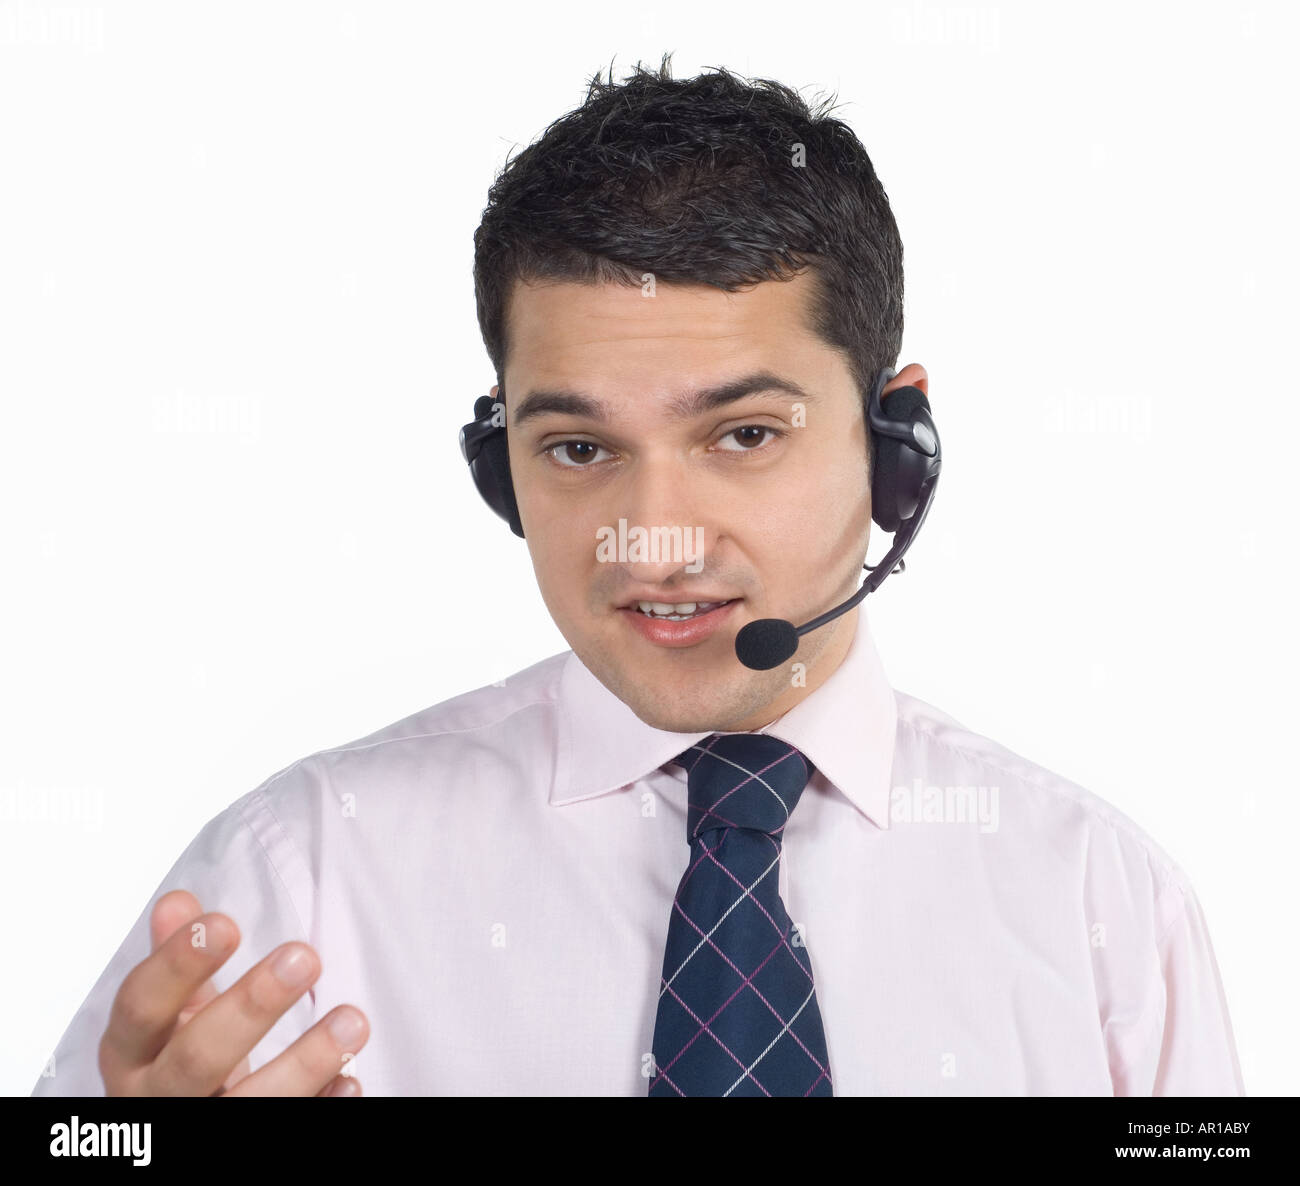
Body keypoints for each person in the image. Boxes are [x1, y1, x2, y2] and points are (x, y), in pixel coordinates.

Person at [32, 56, 1243, 1097]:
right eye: (578, 449)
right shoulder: (295, 876)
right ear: (500, 468)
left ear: (895, 445)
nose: (652, 542)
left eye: (743, 435)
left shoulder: (1105, 908)